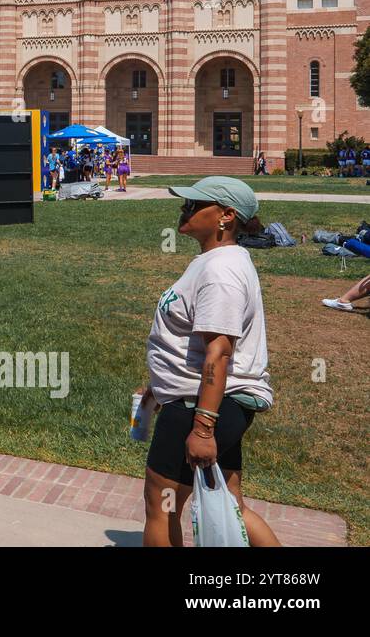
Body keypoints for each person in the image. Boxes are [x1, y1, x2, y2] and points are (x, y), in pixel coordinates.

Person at [141, 177, 280, 547]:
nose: (184, 208)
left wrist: (202, 428)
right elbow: (196, 347)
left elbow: (219, 351)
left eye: (195, 203)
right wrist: (159, 385)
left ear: (226, 216)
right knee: (231, 503)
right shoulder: (216, 261)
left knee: (162, 507)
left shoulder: (221, 272)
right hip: (213, 403)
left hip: (201, 408)